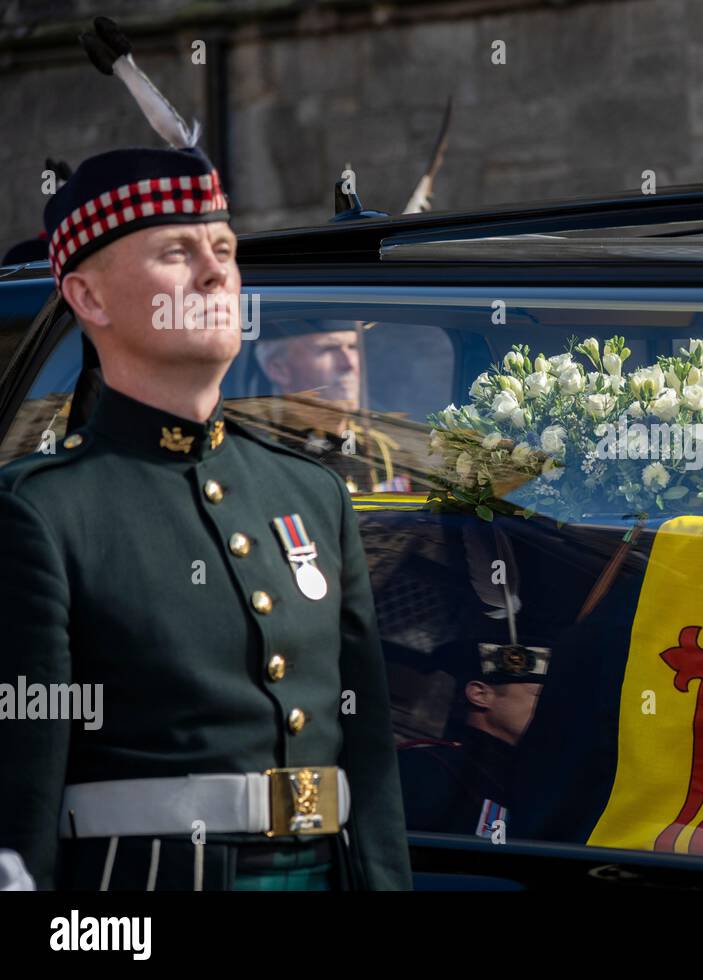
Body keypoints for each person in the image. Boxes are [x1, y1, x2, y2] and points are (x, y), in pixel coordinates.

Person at [0, 16, 410, 890]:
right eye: (176, 253)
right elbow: (16, 796)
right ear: (87, 297)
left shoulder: (309, 491)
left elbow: (369, 764)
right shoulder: (41, 512)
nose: (218, 274)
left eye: (223, 249)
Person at [398, 643, 548, 840]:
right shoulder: (424, 767)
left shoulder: (536, 786)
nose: (549, 707)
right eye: (539, 695)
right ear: (480, 695)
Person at [250, 318, 412, 493]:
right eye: (329, 349)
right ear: (279, 369)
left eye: (353, 347)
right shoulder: (257, 453)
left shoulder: (383, 451)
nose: (349, 363)